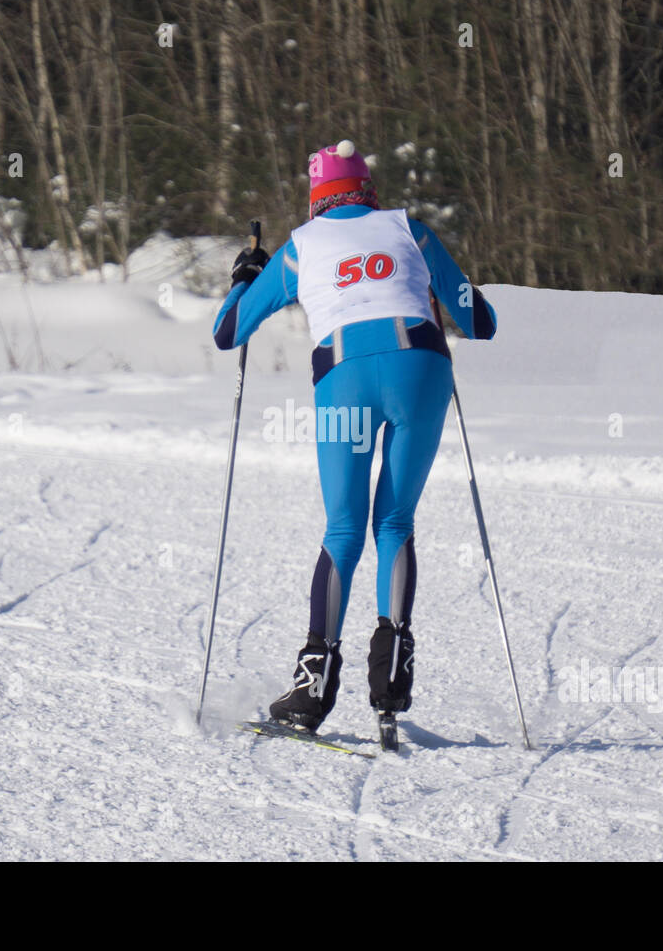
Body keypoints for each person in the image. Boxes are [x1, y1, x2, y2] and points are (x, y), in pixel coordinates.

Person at [212, 139, 497, 732]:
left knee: (344, 527)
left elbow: (228, 331)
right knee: (394, 522)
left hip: (344, 376)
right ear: (367, 191)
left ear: (317, 200)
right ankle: (391, 676)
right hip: (421, 368)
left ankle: (313, 688)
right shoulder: (408, 229)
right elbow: (480, 321)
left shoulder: (299, 248)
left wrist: (246, 276)